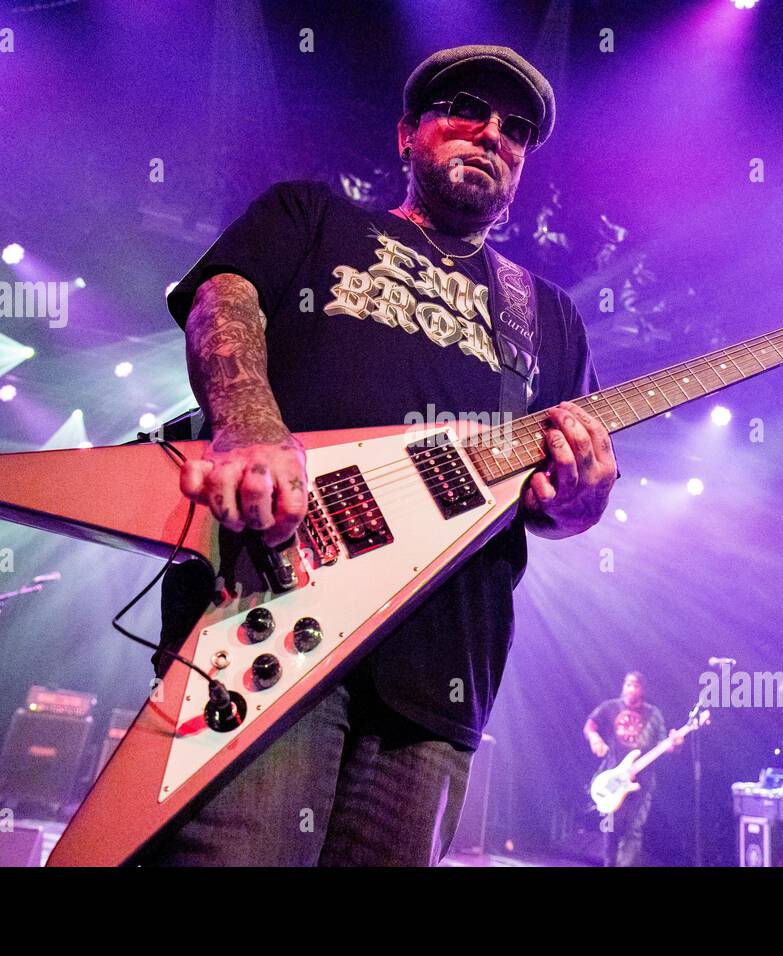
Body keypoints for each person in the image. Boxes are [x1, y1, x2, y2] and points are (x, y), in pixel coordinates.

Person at [142, 45, 618, 866]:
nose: (492, 132)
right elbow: (223, 296)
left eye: (516, 129)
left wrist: (583, 499)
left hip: (442, 672)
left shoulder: (547, 317)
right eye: (466, 107)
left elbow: (559, 502)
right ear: (407, 135)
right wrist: (251, 425)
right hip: (270, 608)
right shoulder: (313, 218)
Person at [584, 671, 673, 866]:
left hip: (642, 784)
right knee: (610, 830)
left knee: (633, 831)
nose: (631, 689)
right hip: (612, 778)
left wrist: (674, 743)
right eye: (628, 684)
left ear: (642, 690)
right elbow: (591, 724)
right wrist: (595, 738)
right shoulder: (611, 708)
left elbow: (664, 743)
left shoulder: (653, 714)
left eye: (635, 685)